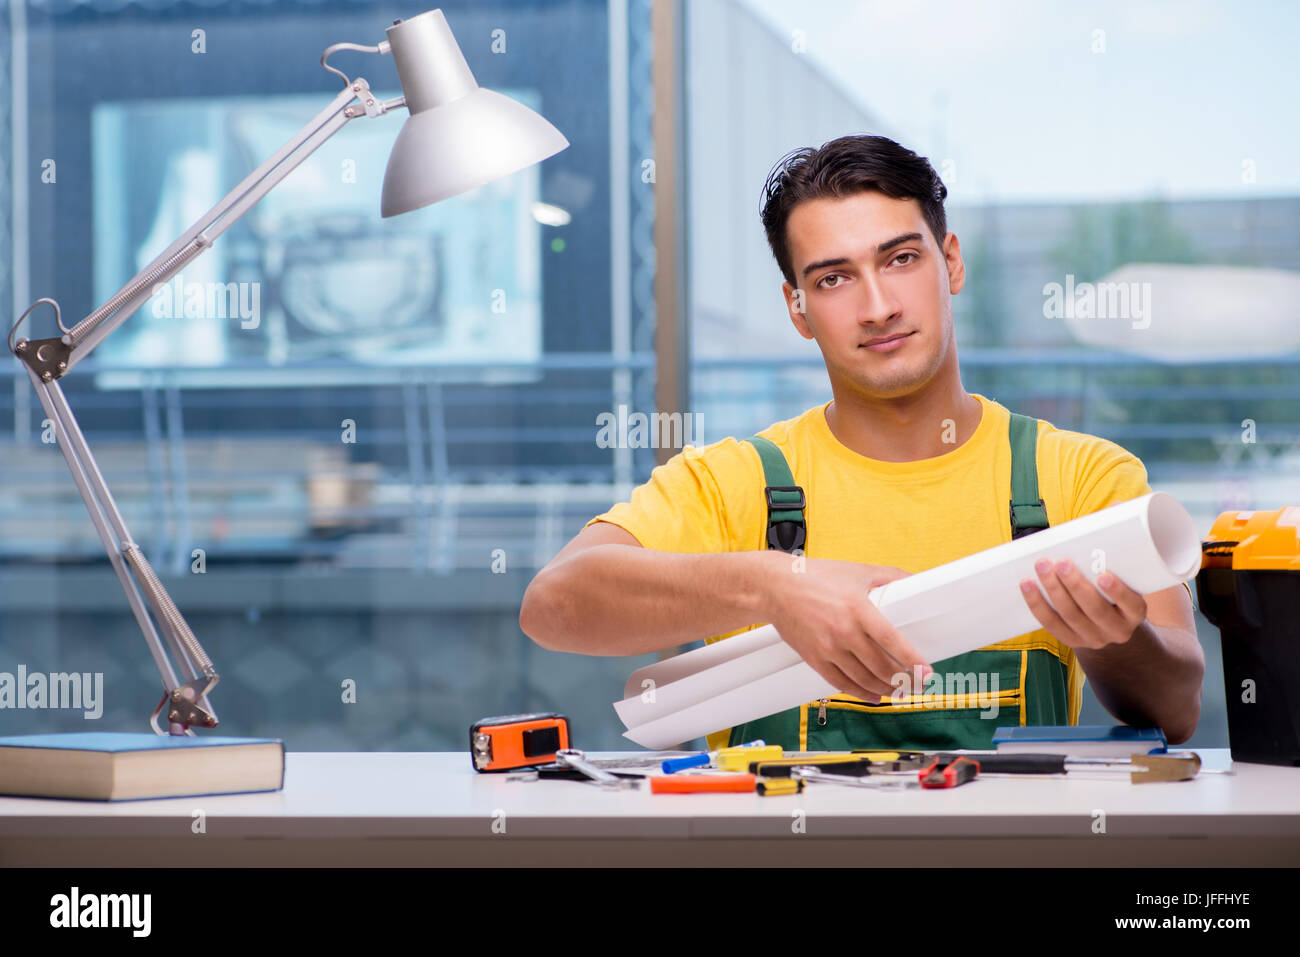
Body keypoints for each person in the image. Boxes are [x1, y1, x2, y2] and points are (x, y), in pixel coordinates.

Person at [519, 134, 1203, 751]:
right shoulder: (737, 482)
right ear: (798, 309)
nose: (878, 307)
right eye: (834, 278)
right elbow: (554, 605)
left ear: (951, 263)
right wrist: (771, 585)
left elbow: (1178, 712)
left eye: (901, 258)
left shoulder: (1077, 477)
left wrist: (1116, 638)